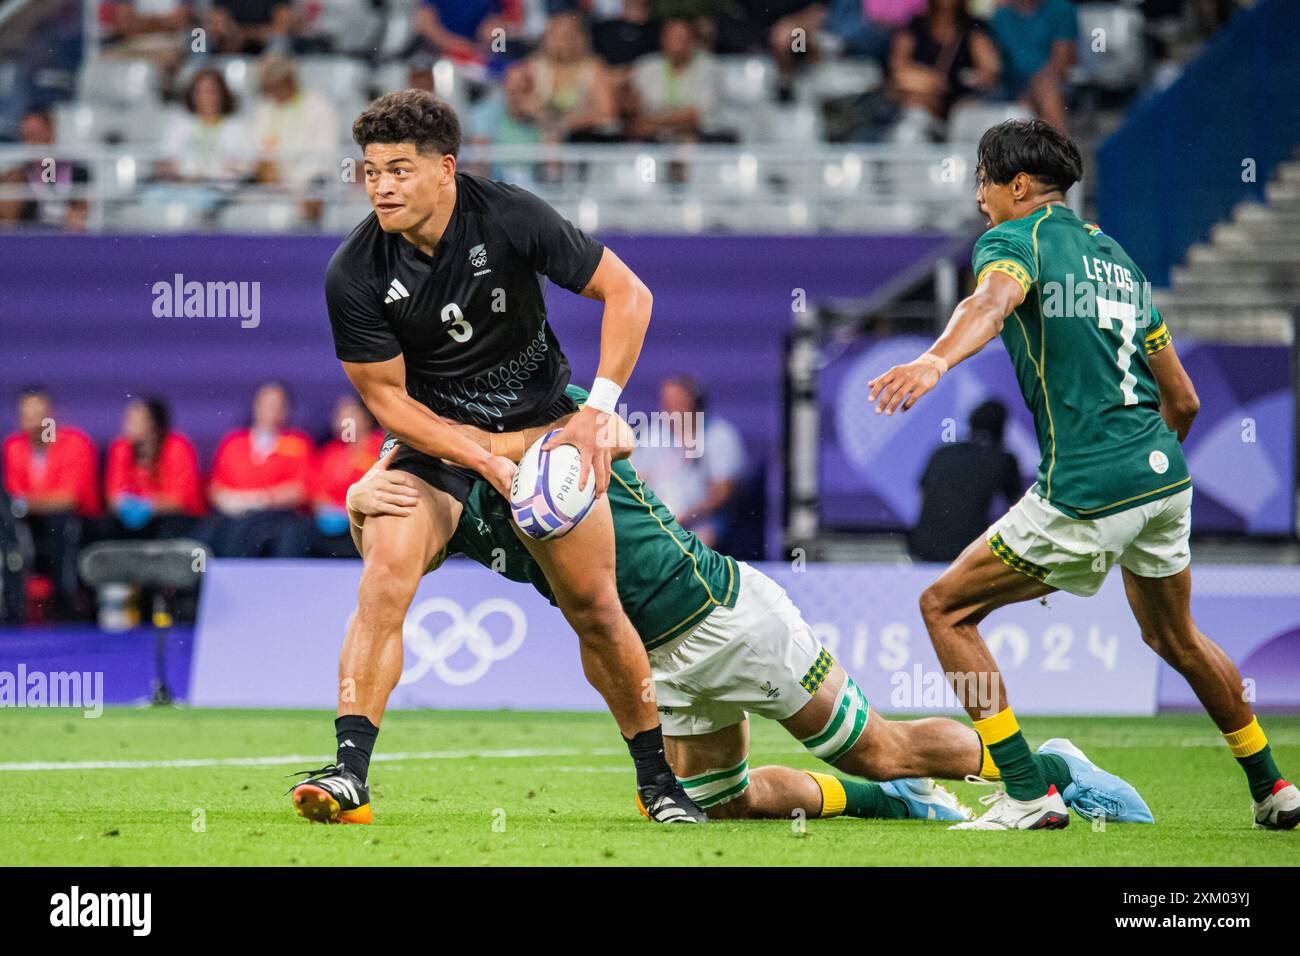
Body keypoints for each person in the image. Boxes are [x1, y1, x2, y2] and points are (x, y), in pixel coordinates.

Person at [337, 386, 1152, 826]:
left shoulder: (549, 412)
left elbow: (609, 432)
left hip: (728, 621)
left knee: (878, 746)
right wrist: (360, 508)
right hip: (651, 662)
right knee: (719, 803)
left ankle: (1048, 770)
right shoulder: (443, 498)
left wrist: (562, 437)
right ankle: (884, 806)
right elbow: (403, 564)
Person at [868, 119, 1299, 831]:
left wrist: (935, 360)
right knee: (1177, 638)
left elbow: (989, 302)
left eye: (983, 180)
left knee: (945, 608)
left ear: (1019, 186)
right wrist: (1146, 471)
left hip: (1090, 483)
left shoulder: (1016, 240)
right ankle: (1273, 786)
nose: (979, 197)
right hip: (1163, 476)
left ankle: (1027, 793)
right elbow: (1183, 399)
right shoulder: (1116, 259)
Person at [296, 89, 699, 826]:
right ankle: (348, 771)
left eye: (398, 170)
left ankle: (659, 784)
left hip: (546, 430)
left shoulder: (509, 214)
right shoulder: (353, 271)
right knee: (385, 572)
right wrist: (478, 460)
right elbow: (389, 404)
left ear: (445, 169)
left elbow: (628, 294)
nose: (380, 186)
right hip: (437, 442)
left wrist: (597, 413)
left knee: (597, 611)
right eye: (370, 172)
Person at [2, 387, 100, 619]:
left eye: (39, 416)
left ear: (51, 415)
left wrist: (26, 504)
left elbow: (68, 499)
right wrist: (24, 505)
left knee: (61, 524)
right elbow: (13, 497)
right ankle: (12, 610)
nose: (34, 423)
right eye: (28, 417)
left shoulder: (75, 442)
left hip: (76, 524)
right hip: (28, 524)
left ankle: (65, 608)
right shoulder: (13, 447)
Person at [632, 375, 746, 550]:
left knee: (698, 544)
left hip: (702, 521)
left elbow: (723, 492)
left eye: (678, 402)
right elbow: (636, 477)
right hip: (656, 519)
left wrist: (686, 515)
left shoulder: (719, 436)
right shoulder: (653, 433)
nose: (671, 408)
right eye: (667, 402)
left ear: (695, 403)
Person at [203, 381, 312, 558]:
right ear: (256, 406)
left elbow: (300, 490)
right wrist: (228, 500)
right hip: (232, 518)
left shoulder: (298, 443)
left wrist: (259, 500)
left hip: (276, 519)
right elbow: (215, 487)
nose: (273, 411)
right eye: (268, 405)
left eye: (279, 405)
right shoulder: (233, 442)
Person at [909, 399, 1023, 562]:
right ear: (1002, 428)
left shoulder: (941, 453)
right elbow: (1019, 511)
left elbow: (922, 499)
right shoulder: (1003, 459)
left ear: (971, 423)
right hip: (968, 550)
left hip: (922, 548)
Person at [889, 0, 1000, 140]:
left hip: (962, 109)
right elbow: (898, 71)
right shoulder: (915, 27)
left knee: (968, 120)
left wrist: (969, 81)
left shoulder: (973, 28)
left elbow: (990, 71)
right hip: (925, 109)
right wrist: (933, 82)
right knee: (912, 121)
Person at [101, 397, 205, 540]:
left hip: (175, 521)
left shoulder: (178, 447)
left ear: (152, 423)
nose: (126, 425)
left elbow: (179, 500)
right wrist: (127, 505)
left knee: (169, 526)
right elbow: (113, 497)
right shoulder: (120, 447)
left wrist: (148, 506)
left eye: (133, 420)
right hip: (134, 523)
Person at [305, 395, 385, 558]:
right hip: (332, 526)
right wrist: (326, 508)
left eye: (349, 416)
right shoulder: (330, 452)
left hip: (367, 522)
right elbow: (316, 492)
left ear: (367, 418)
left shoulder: (381, 448)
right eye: (339, 415)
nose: (342, 421)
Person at [248, 53, 339, 191]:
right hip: (268, 186)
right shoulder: (264, 108)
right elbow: (254, 148)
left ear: (289, 80)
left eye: (276, 85)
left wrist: (292, 182)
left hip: (307, 187)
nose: (272, 91)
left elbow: (325, 155)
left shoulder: (318, 106)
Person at [523, 12, 617, 142]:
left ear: (582, 38)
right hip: (537, 137)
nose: (565, 42)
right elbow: (521, 103)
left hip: (582, 141)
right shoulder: (533, 67)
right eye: (559, 35)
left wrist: (570, 123)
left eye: (570, 35)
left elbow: (607, 114)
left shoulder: (593, 68)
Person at [988, 0, 1075, 132]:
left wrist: (1030, 93)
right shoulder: (1000, 15)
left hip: (1051, 84)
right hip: (1009, 86)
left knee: (1048, 94)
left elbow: (1061, 63)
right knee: (964, 107)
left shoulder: (1061, 8)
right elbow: (992, 63)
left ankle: (1056, 148)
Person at [628, 19, 716, 143]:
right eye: (671, 38)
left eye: (681, 38)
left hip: (696, 136)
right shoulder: (646, 67)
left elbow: (698, 115)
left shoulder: (708, 68)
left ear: (692, 41)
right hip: (651, 137)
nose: (676, 43)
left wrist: (656, 121)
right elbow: (636, 110)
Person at [155, 69, 248, 185]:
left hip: (221, 191)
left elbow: (239, 167)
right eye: (199, 91)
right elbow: (167, 161)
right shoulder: (179, 123)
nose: (205, 97)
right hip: (182, 187)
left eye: (210, 91)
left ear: (222, 94)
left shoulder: (236, 126)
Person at [9, 110, 89, 232]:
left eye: (37, 135)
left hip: (66, 240)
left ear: (51, 132)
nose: (32, 143)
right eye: (27, 136)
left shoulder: (77, 173)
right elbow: (9, 223)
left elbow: (84, 216)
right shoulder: (17, 176)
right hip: (30, 242)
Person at [205, 0, 294, 54]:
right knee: (199, 37)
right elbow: (218, 23)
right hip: (232, 42)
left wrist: (244, 33)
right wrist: (232, 35)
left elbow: (281, 29)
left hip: (266, 47)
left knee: (279, 41)